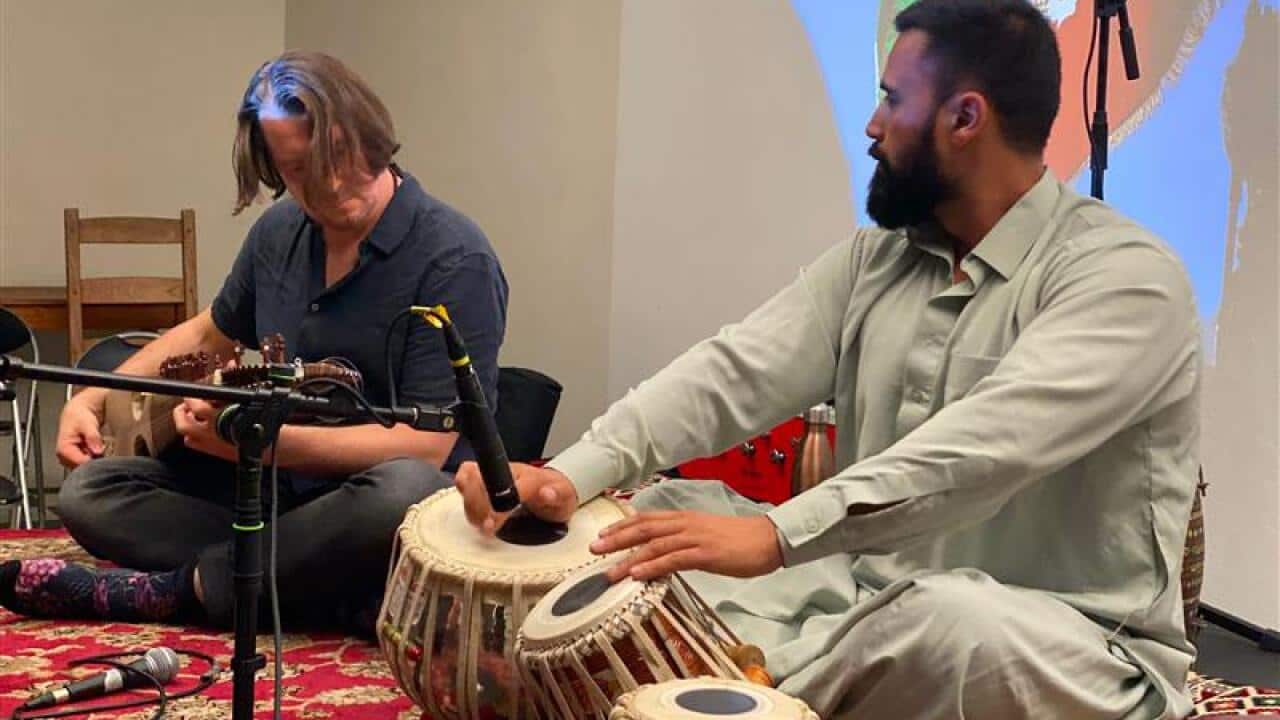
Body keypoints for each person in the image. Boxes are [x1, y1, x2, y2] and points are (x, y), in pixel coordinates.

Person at [456, 2, 1199, 718]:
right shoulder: (878, 260)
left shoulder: (1125, 277)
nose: (872, 127)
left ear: (965, 119)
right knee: (641, 528)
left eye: (891, 100)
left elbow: (984, 452)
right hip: (857, 595)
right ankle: (762, 684)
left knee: (951, 631)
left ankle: (743, 684)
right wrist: (571, 475)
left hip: (1067, 643)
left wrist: (778, 537)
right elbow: (733, 372)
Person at [0, 51, 509, 634]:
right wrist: (92, 394)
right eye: (300, 171)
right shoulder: (279, 232)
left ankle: (186, 590)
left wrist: (259, 444)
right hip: (283, 494)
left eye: (338, 157)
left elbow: (425, 446)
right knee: (92, 489)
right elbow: (211, 331)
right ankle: (316, 585)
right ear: (271, 168)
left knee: (407, 491)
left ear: (369, 134)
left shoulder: (454, 257)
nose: (332, 183)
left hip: (377, 501)